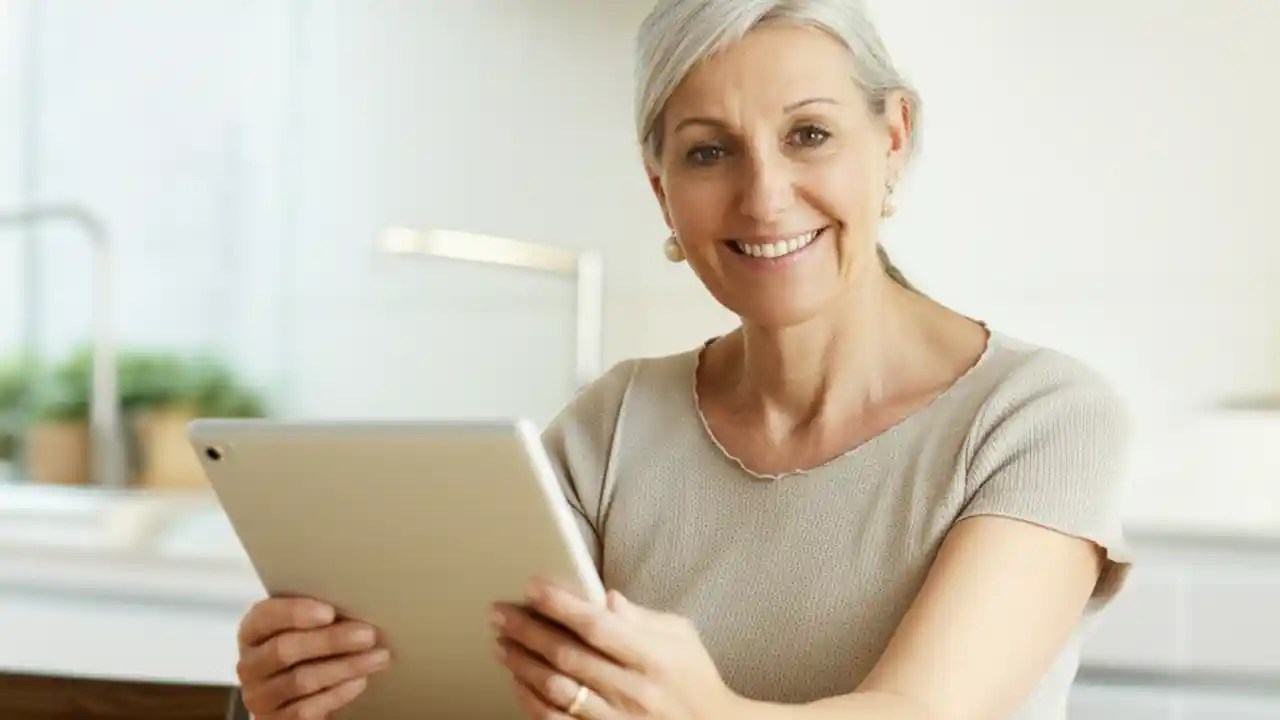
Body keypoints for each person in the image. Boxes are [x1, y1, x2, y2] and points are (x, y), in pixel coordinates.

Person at [231, 1, 1133, 718]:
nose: (765, 197)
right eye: (710, 152)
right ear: (662, 188)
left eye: (808, 135)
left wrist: (705, 713)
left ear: (892, 138)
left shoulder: (1040, 418)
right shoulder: (615, 422)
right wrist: (325, 697)